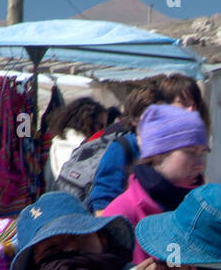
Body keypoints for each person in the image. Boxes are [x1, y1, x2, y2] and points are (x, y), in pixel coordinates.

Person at [100, 103, 209, 270]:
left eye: (203, 152)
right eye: (191, 152)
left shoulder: (203, 210)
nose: (200, 164)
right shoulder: (121, 215)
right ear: (158, 153)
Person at [87, 74, 209, 211]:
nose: (191, 110)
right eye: (184, 104)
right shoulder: (123, 147)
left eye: (195, 105)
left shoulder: (197, 196)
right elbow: (102, 202)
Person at [44, 97, 117, 184]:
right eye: (100, 126)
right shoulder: (80, 148)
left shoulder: (59, 143)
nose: (103, 131)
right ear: (87, 121)